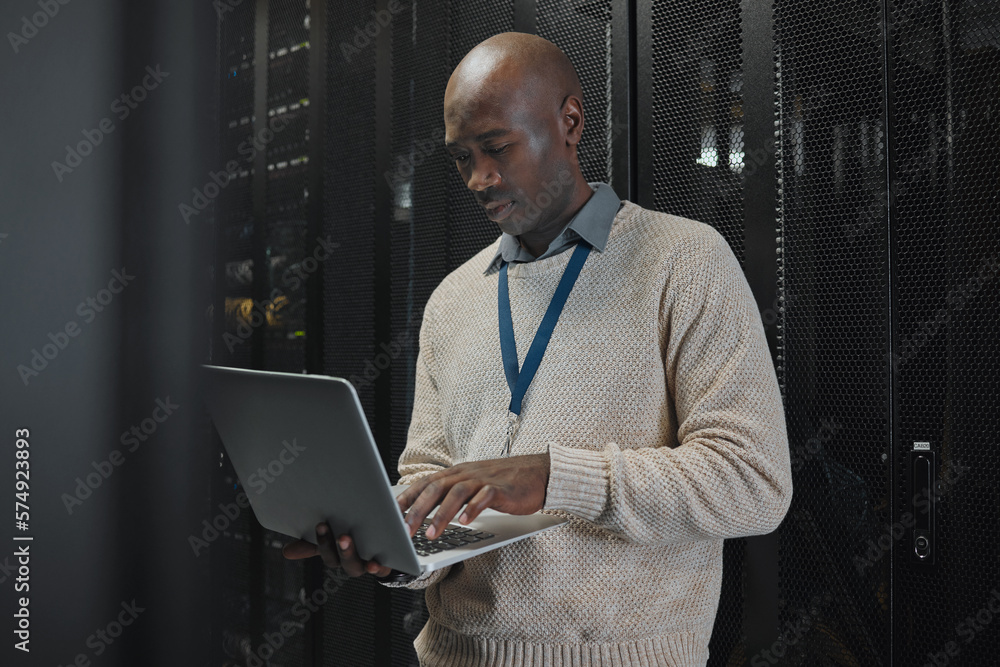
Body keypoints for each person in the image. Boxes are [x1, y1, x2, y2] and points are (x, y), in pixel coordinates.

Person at [283, 31, 792, 666]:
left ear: (570, 121)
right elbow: (429, 483)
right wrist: (393, 547)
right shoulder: (452, 298)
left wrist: (551, 477)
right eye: (461, 158)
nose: (479, 178)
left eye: (496, 147)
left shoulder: (684, 261)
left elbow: (754, 483)